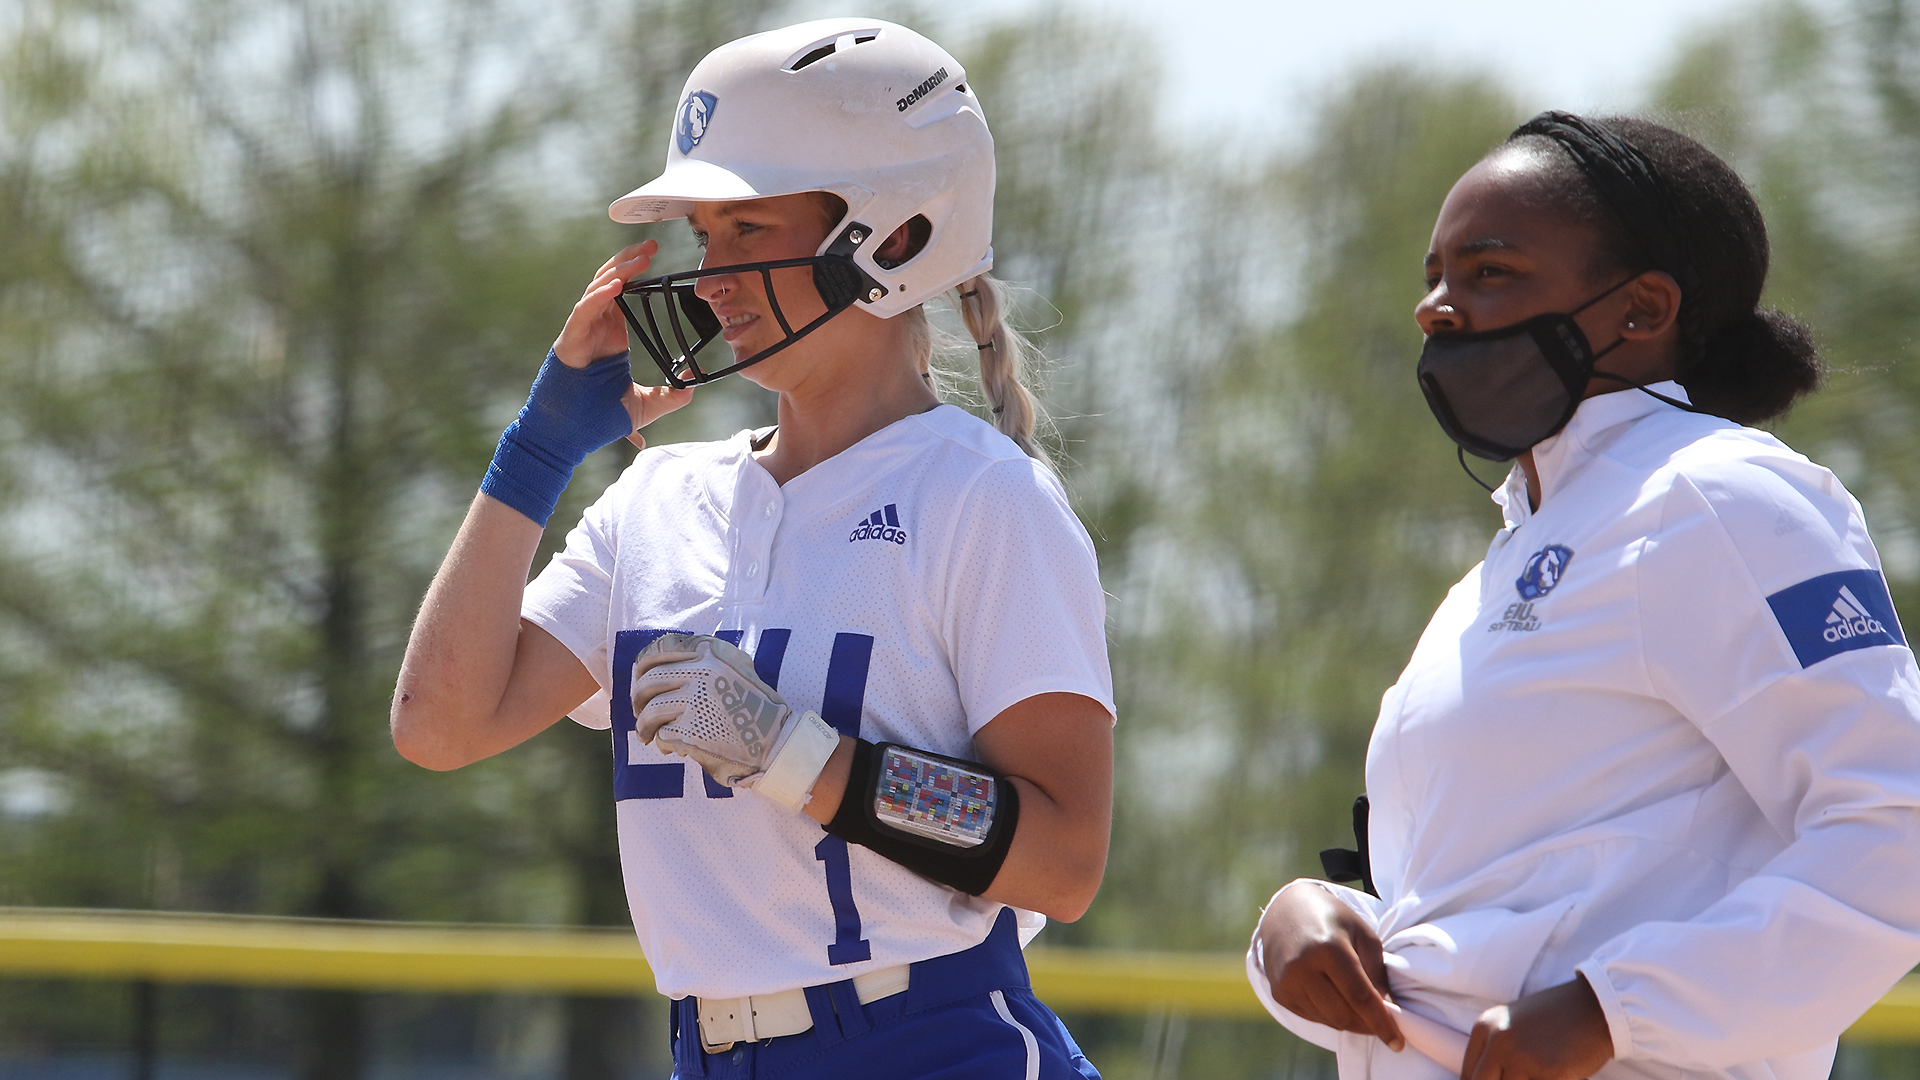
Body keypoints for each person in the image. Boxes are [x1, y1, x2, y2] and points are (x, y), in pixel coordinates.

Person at [389, 18, 1112, 1080]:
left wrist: (801, 760)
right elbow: (438, 725)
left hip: (938, 1045)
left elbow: (1063, 861)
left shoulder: (986, 499)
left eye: (746, 230)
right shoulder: (659, 498)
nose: (710, 275)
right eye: (705, 238)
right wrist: (534, 453)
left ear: (892, 238)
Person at [1248, 112, 1920, 1080]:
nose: (1436, 307)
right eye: (1434, 276)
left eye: (1490, 272)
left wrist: (1613, 1011)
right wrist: (1310, 925)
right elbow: (1500, 901)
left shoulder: (1717, 495)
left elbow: (1896, 830)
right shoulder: (1512, 557)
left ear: (1643, 310)